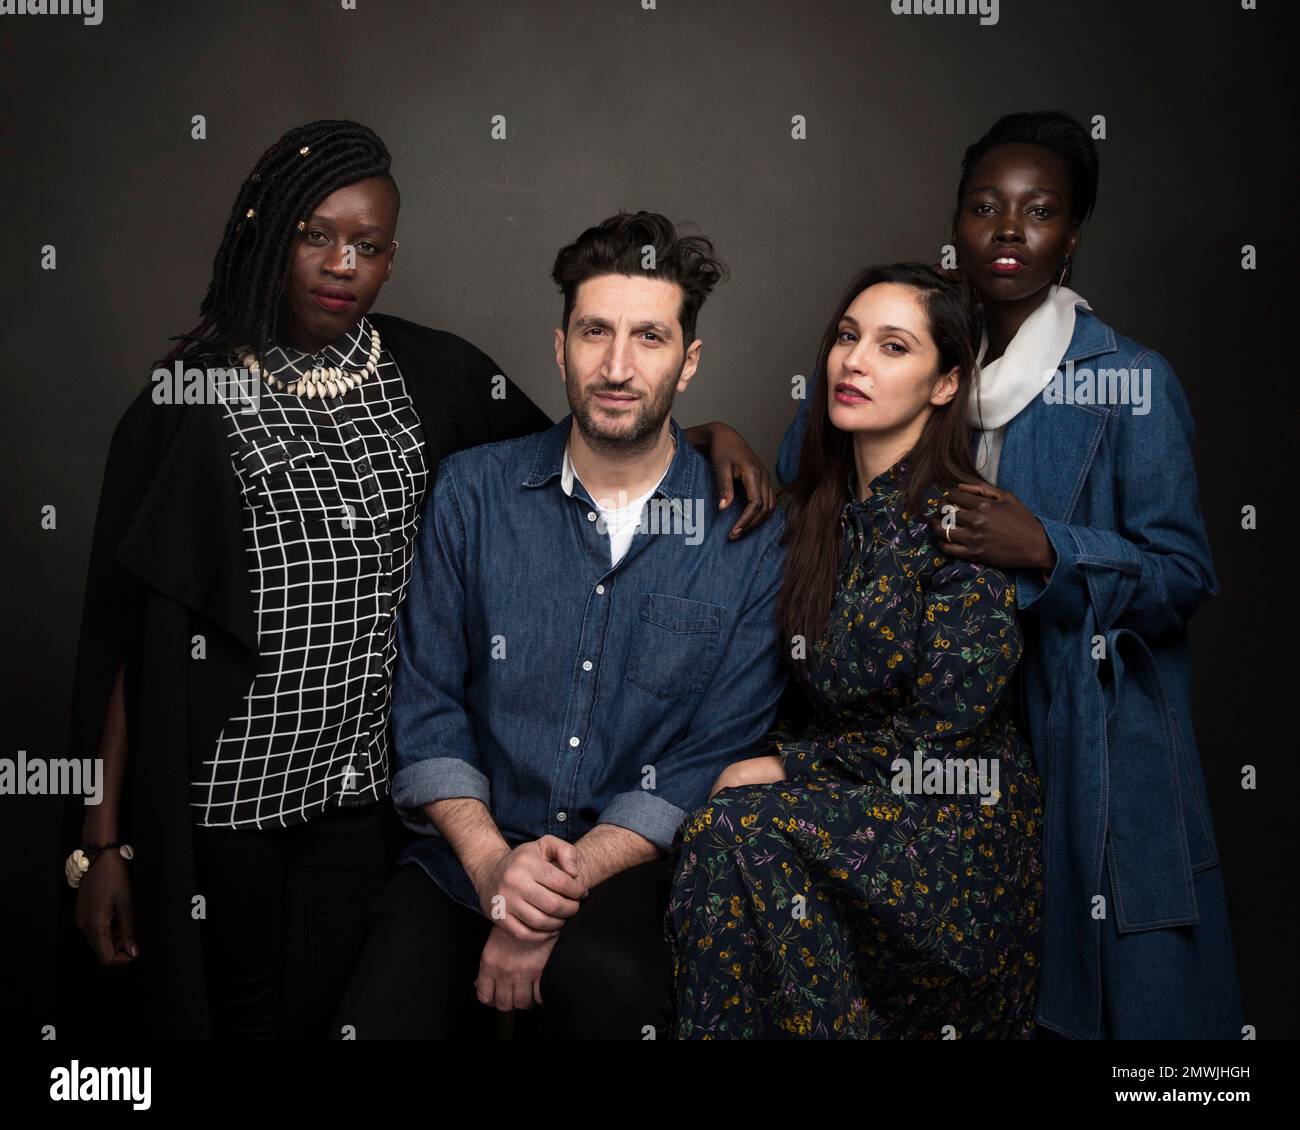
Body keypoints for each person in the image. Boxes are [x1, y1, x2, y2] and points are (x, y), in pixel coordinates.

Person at [63, 123, 776, 1039]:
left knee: (333, 1013)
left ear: (392, 260)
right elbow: (130, 642)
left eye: (367, 245)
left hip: (357, 800)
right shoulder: (191, 403)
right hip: (225, 790)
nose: (341, 264)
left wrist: (710, 438)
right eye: (316, 234)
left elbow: (604, 429)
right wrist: (100, 842)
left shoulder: (428, 374)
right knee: (230, 1015)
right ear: (266, 231)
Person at [777, 111, 1241, 1040]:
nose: (1009, 229)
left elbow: (1186, 571)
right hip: (938, 737)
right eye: (986, 206)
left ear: (1071, 236)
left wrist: (1053, 550)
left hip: (1081, 723)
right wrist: (706, 444)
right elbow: (811, 468)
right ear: (956, 222)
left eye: (1040, 211)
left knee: (1123, 1007)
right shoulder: (907, 350)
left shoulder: (1128, 381)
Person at [332, 211, 788, 1040]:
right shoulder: (472, 493)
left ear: (688, 363)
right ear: (559, 346)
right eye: (594, 332)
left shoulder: (746, 538)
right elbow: (428, 703)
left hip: (633, 874)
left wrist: (552, 893)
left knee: (609, 993)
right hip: (461, 858)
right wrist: (494, 870)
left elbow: (709, 753)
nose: (617, 366)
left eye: (649, 338)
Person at [668, 263, 1043, 1039]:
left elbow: (948, 738)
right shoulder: (810, 516)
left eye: (893, 346)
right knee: (724, 834)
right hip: (841, 815)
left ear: (945, 386)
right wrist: (703, 438)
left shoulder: (963, 523)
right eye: (847, 337)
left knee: (733, 829)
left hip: (952, 827)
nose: (855, 361)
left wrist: (791, 767)